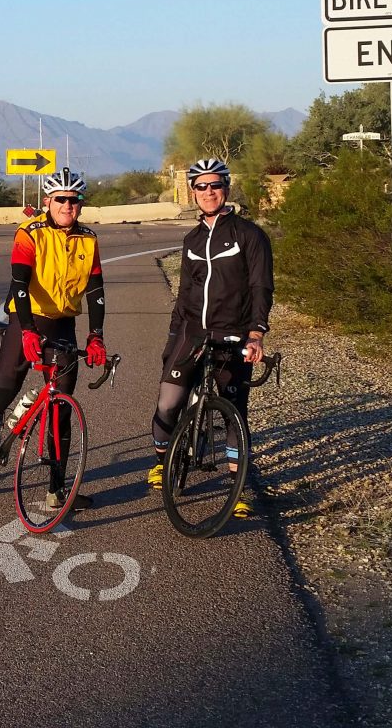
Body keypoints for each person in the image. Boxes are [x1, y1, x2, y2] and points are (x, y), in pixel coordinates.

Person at [0, 166, 107, 511]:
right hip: (26, 318)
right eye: (61, 200)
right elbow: (20, 284)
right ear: (47, 202)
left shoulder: (88, 238)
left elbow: (96, 289)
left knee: (62, 406)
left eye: (75, 199)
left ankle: (57, 489)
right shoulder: (29, 232)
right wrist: (25, 331)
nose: (69, 205)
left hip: (63, 323)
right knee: (5, 389)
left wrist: (96, 336)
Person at [148, 157, 274, 518]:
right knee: (169, 403)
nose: (208, 192)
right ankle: (162, 461)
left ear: (226, 188)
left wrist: (256, 334)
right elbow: (186, 293)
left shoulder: (250, 235)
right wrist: (173, 338)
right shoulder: (192, 238)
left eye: (214, 185)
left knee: (235, 412)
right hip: (192, 332)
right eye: (200, 186)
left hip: (233, 334)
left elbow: (261, 287)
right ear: (192, 192)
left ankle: (238, 488)